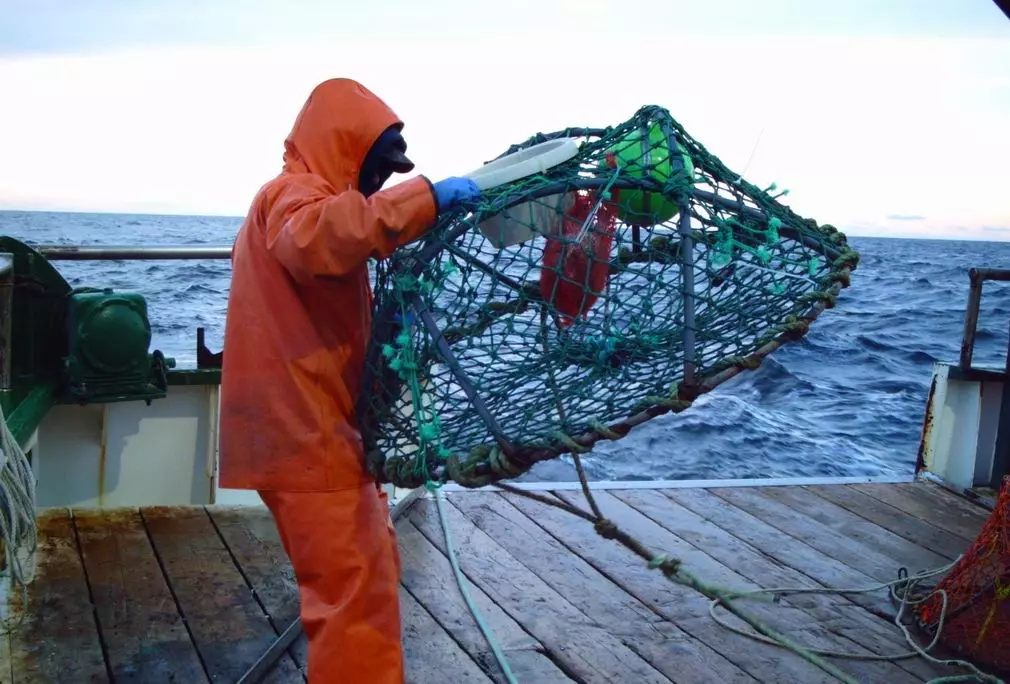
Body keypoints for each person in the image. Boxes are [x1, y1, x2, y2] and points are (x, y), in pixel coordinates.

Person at [218, 77, 481, 683]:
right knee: (352, 600)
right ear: (345, 147)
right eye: (379, 167)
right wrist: (427, 201)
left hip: (317, 431)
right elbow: (319, 241)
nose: (381, 181)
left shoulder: (306, 196)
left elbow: (343, 235)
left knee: (365, 573)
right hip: (305, 434)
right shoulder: (293, 197)